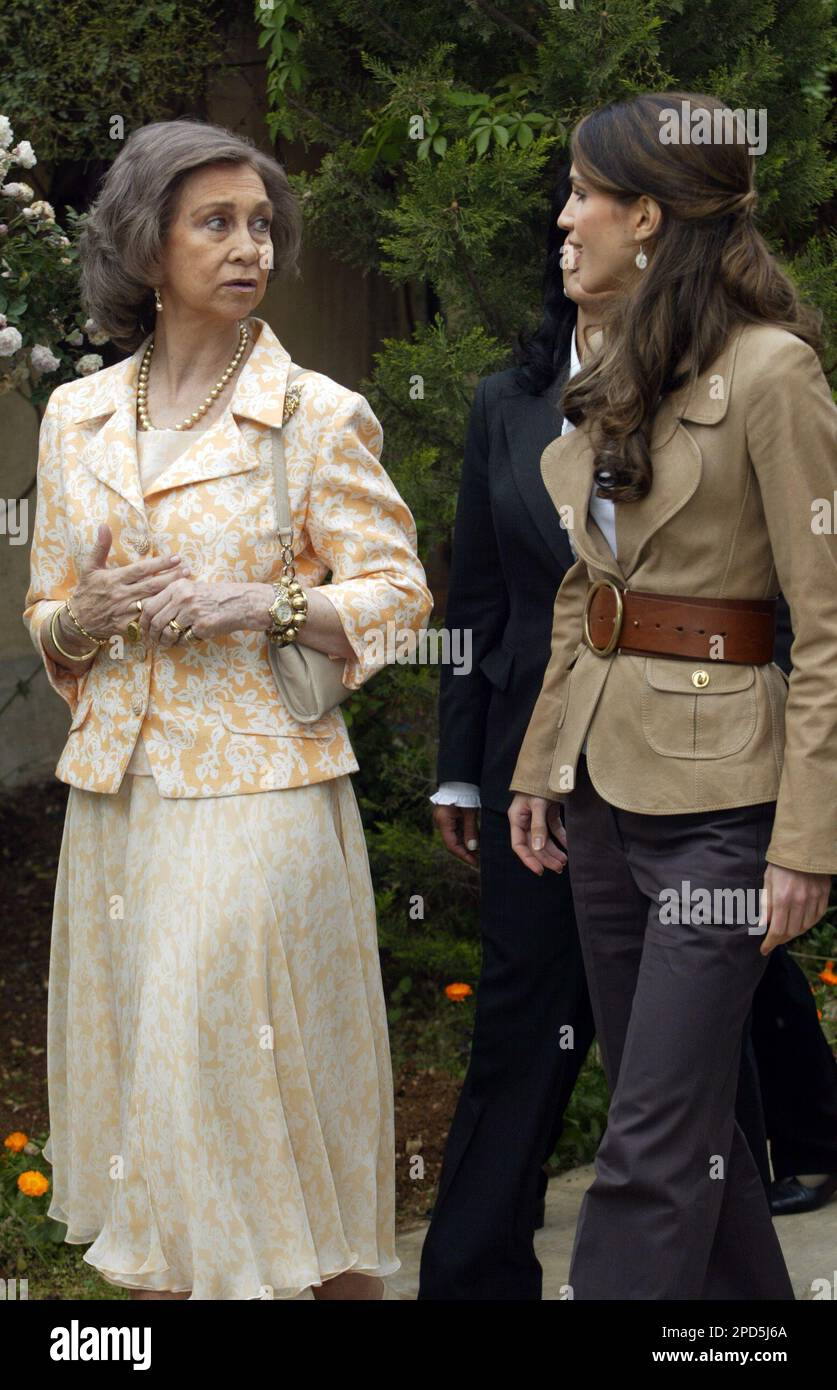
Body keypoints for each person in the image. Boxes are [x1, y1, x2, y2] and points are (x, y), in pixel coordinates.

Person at [22, 118, 433, 1301]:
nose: (249, 244)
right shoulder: (77, 417)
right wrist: (92, 609)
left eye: (261, 223)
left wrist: (264, 599)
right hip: (123, 805)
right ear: (148, 248)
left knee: (233, 1091)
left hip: (264, 792)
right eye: (216, 222)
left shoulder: (314, 412)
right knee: (156, 1107)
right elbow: (49, 618)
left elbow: (401, 596)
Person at [507, 91, 836, 1300]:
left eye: (585, 193)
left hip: (722, 811)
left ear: (648, 215)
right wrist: (542, 763)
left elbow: (831, 617)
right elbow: (585, 591)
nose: (565, 216)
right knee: (692, 1132)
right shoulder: (621, 364)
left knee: (644, 1145)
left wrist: (806, 841)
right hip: (601, 793)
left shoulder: (773, 372)